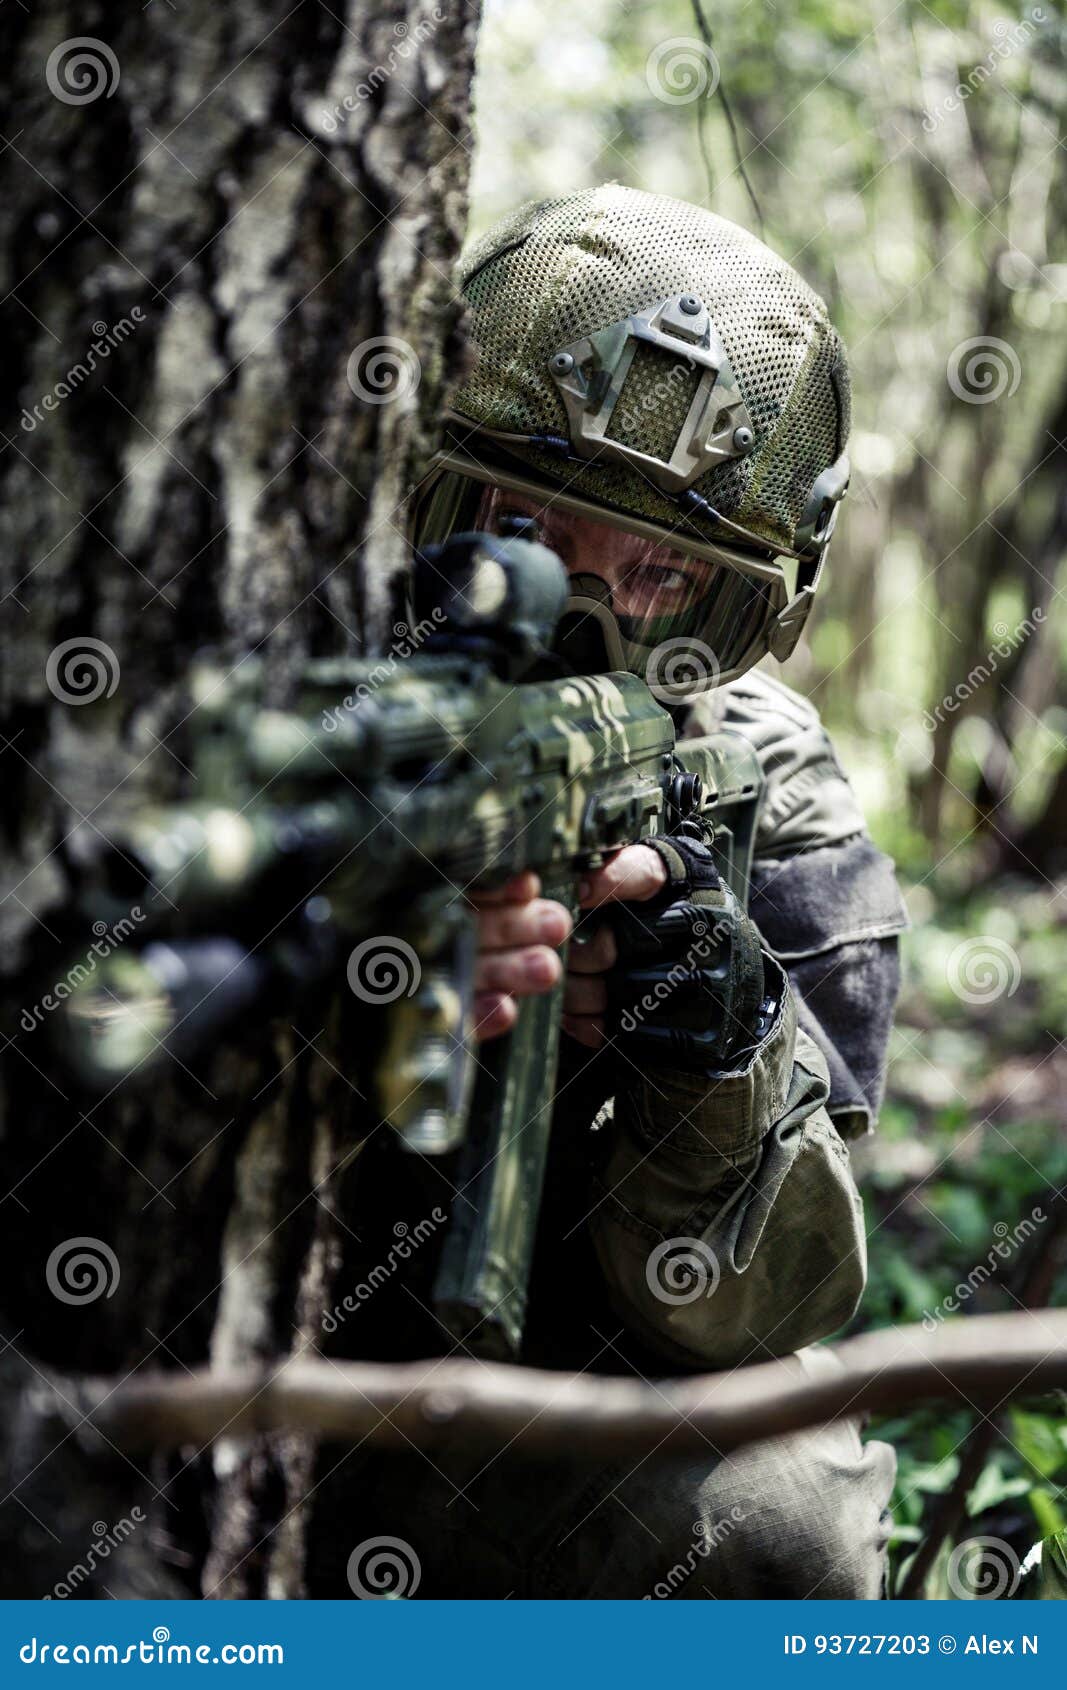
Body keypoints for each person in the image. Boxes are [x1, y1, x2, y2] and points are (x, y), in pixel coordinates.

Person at [321, 184, 907, 1599]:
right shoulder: (303, 663)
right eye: (519, 518)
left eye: (655, 572)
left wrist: (708, 1048)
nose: (576, 603)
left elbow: (782, 1304)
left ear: (744, 610)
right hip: (259, 1349)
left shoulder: (770, 788)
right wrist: (350, 985)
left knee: (778, 1530)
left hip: (561, 1389)